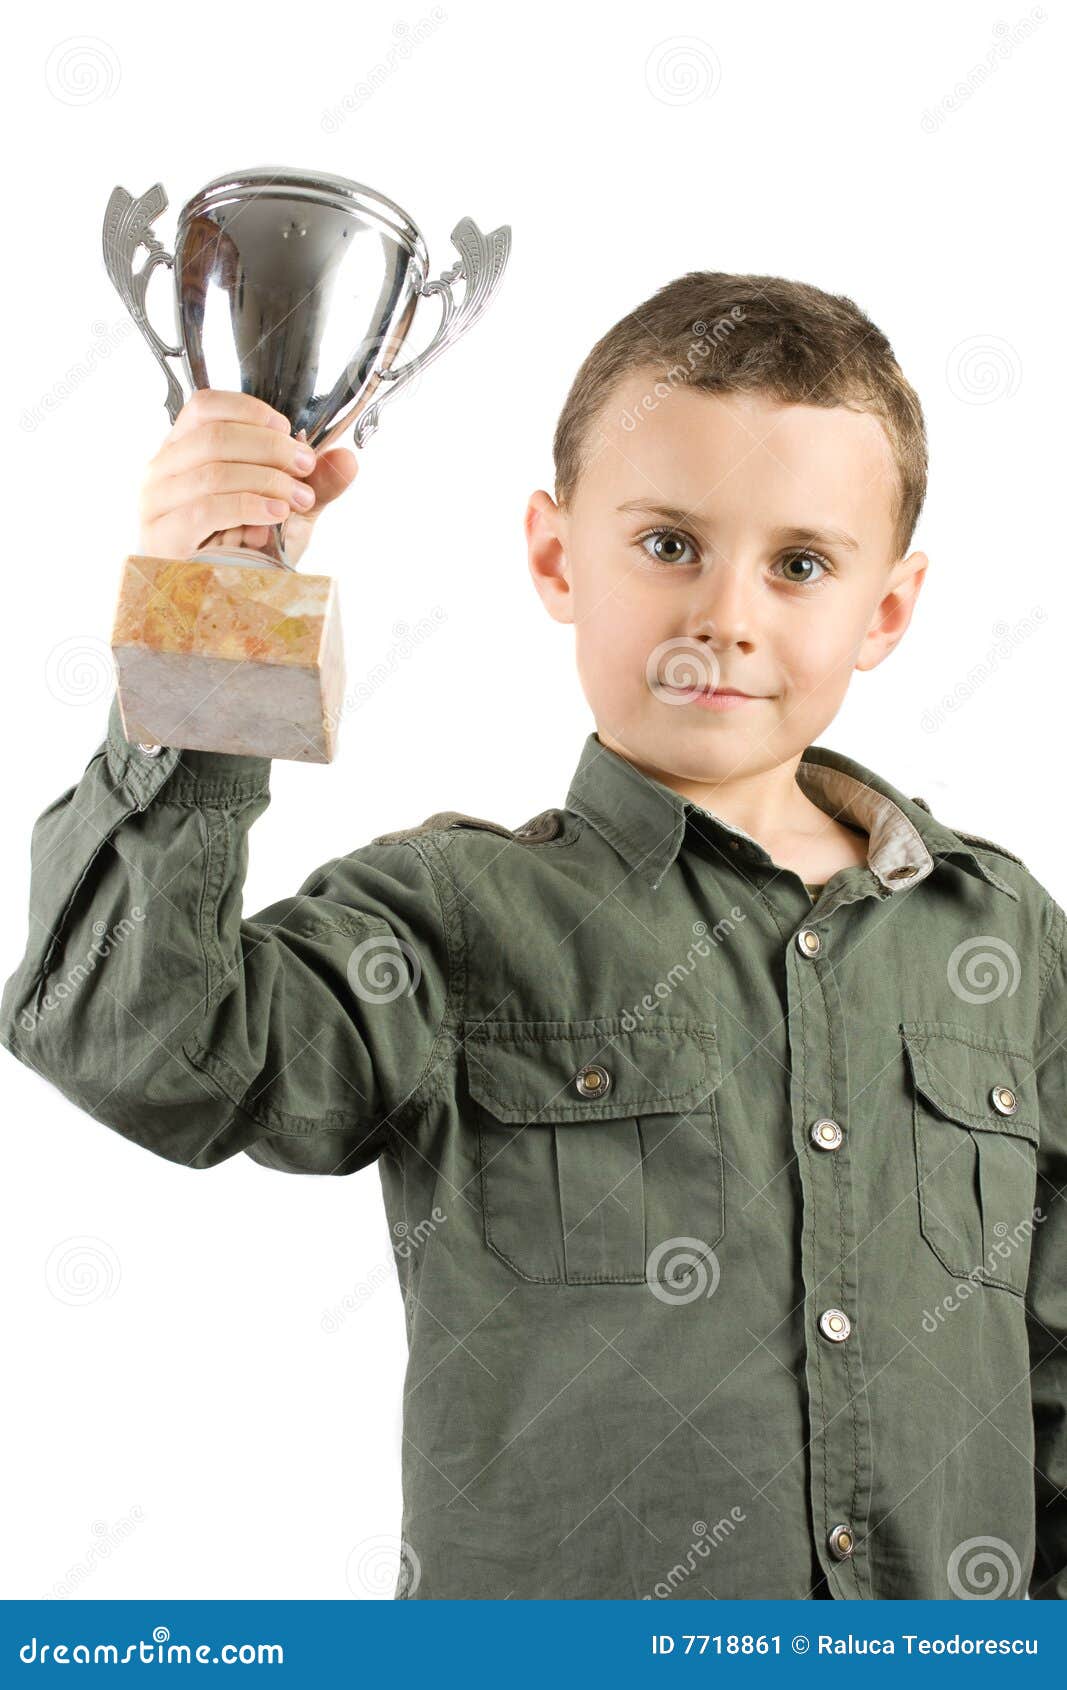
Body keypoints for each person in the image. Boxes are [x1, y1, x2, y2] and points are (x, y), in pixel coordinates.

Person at [2, 272, 1063, 1602]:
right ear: (558, 556)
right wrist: (209, 619)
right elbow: (139, 1047)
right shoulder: (446, 917)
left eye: (799, 564)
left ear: (888, 608)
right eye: (669, 543)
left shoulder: (1002, 931)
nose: (727, 615)